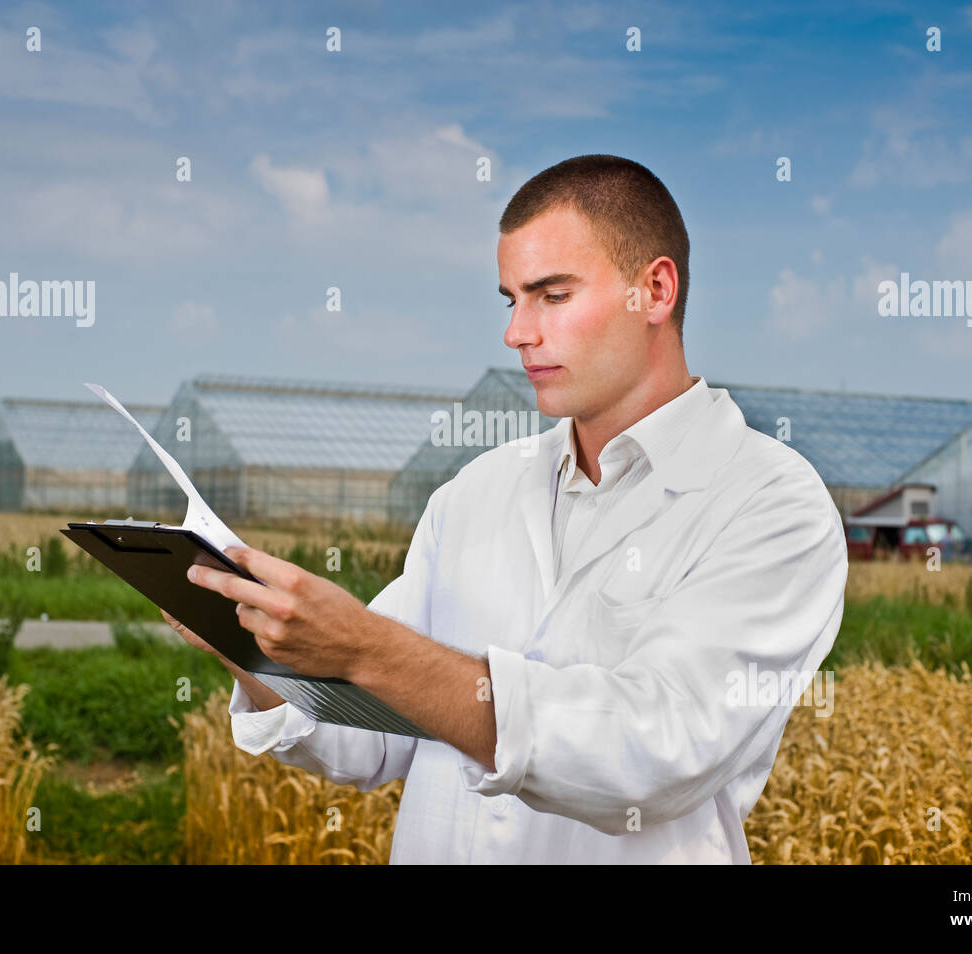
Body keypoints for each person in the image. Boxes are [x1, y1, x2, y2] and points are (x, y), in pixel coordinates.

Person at [168, 154, 848, 863]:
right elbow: (370, 736)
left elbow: (655, 754)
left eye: (552, 296)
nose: (517, 332)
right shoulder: (474, 493)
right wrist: (250, 643)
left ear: (654, 289)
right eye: (510, 299)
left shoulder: (770, 504)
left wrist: (367, 647)